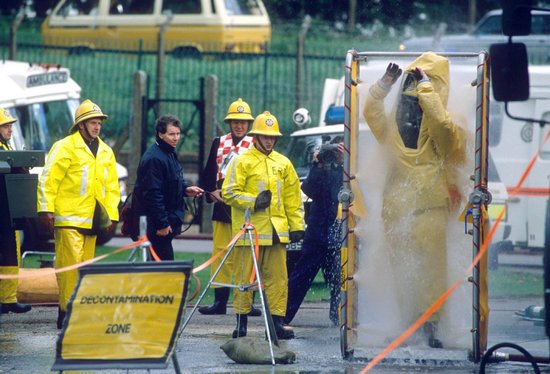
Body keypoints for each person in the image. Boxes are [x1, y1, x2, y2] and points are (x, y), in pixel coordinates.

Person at [363, 52, 466, 348]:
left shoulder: (446, 126)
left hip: (431, 205)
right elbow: (372, 114)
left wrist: (424, 88)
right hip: (396, 208)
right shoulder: (393, 131)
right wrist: (383, 85)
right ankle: (409, 323)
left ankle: (431, 325)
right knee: (401, 268)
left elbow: (444, 128)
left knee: (431, 268)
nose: (410, 107)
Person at [37, 99, 121, 328]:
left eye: (99, 123)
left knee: (86, 268)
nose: (96, 127)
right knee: (69, 268)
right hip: (68, 220)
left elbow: (112, 188)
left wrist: (112, 216)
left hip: (92, 222)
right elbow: (49, 180)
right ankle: (66, 312)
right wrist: (45, 209)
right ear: (80, 125)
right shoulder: (64, 146)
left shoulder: (106, 152)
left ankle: (81, 311)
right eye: (92, 123)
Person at [221, 111, 305, 340]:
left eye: (272, 137)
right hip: (250, 231)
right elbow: (228, 193)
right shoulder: (241, 161)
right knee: (244, 279)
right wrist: (253, 202)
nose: (269, 140)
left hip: (277, 233)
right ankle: (241, 324)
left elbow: (293, 198)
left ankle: (276, 325)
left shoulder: (283, 163)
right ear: (255, 136)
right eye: (264, 136)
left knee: (278, 280)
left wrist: (297, 225)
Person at [199, 98, 261, 317]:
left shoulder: (255, 144)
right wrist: (211, 192)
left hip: (244, 211)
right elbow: (207, 174)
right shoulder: (219, 142)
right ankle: (219, 301)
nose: (239, 126)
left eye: (243, 122)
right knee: (221, 253)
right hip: (221, 209)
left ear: (249, 124)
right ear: (229, 122)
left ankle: (247, 302)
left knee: (246, 255)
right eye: (235, 121)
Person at [285, 137, 344, 327]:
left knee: (339, 277)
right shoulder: (322, 168)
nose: (336, 155)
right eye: (334, 150)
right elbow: (308, 189)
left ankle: (339, 317)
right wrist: (317, 163)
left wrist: (346, 164)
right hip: (317, 233)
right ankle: (282, 316)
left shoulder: (351, 171)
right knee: (301, 275)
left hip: (339, 233)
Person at [135, 114, 204, 261]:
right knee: (161, 269)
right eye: (171, 134)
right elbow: (153, 194)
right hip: (156, 226)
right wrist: (162, 224)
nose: (176, 138)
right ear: (160, 134)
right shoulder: (154, 158)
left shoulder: (168, 153)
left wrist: (185, 189)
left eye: (178, 133)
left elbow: (171, 181)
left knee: (163, 267)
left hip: (166, 221)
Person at [0, 108, 32, 314]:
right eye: (5, 126)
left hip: (7, 212)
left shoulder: (6, 146)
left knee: (11, 254)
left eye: (11, 125)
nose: (10, 129)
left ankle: (8, 299)